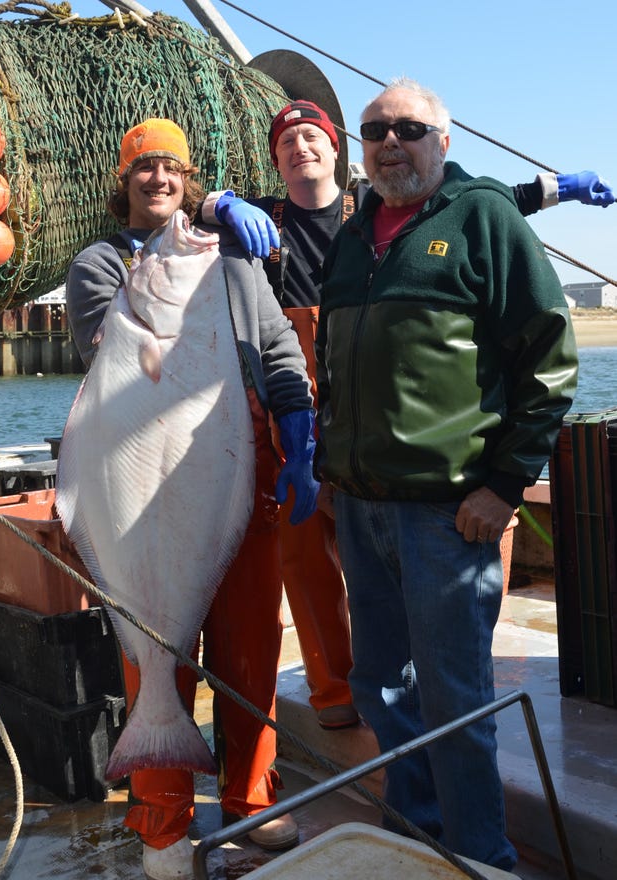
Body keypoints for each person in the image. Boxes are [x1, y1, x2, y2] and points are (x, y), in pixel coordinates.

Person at [202, 99, 612, 733]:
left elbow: (483, 198)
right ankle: (335, 687)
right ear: (274, 159)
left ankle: (450, 689)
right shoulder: (263, 217)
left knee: (436, 605)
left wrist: (559, 188)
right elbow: (171, 207)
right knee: (305, 558)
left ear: (338, 151)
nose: (300, 147)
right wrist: (216, 204)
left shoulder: (376, 204)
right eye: (286, 142)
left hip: (396, 407)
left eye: (312, 135)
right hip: (303, 406)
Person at [313, 78, 579, 871]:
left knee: (454, 699)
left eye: (409, 128)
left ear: (444, 140)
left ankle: (480, 858)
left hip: (447, 514)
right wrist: (332, 469)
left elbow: (550, 357)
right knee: (382, 692)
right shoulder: (354, 235)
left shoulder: (483, 217)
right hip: (361, 510)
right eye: (375, 131)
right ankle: (419, 840)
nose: (391, 142)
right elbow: (336, 362)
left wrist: (505, 484)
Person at [65, 118, 320, 880]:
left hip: (237, 476)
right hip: (146, 489)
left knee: (252, 654)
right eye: (144, 169)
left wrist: (300, 432)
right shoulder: (99, 265)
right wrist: (198, 227)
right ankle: (164, 824)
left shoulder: (237, 263)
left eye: (173, 168)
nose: (159, 180)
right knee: (160, 662)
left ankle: (253, 800)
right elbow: (106, 350)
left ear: (190, 177)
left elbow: (276, 348)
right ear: (125, 183)